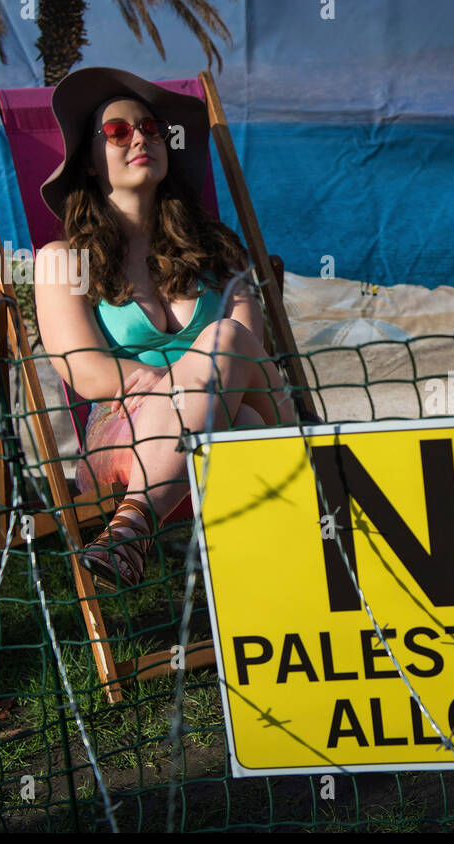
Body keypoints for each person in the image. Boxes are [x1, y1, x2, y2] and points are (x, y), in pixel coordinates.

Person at [34, 67, 295, 589]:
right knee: (237, 423)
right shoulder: (63, 259)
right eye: (117, 132)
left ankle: (130, 531)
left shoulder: (218, 250)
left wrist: (183, 384)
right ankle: (269, 592)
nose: (139, 138)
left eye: (151, 129)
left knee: (226, 347)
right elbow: (84, 371)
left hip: (242, 395)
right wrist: (173, 388)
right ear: (88, 160)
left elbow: (247, 350)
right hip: (125, 427)